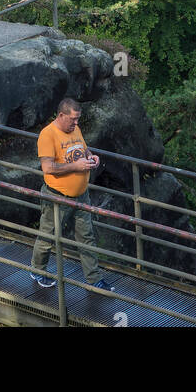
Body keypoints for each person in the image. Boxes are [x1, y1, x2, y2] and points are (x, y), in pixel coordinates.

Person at [30, 98, 117, 293]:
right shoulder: (48, 134)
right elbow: (48, 167)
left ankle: (93, 279)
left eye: (78, 119)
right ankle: (37, 270)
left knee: (86, 236)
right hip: (57, 196)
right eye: (73, 119)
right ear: (61, 116)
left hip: (81, 195)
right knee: (48, 236)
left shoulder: (74, 130)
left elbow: (83, 149)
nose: (76, 123)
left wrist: (92, 157)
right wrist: (75, 166)